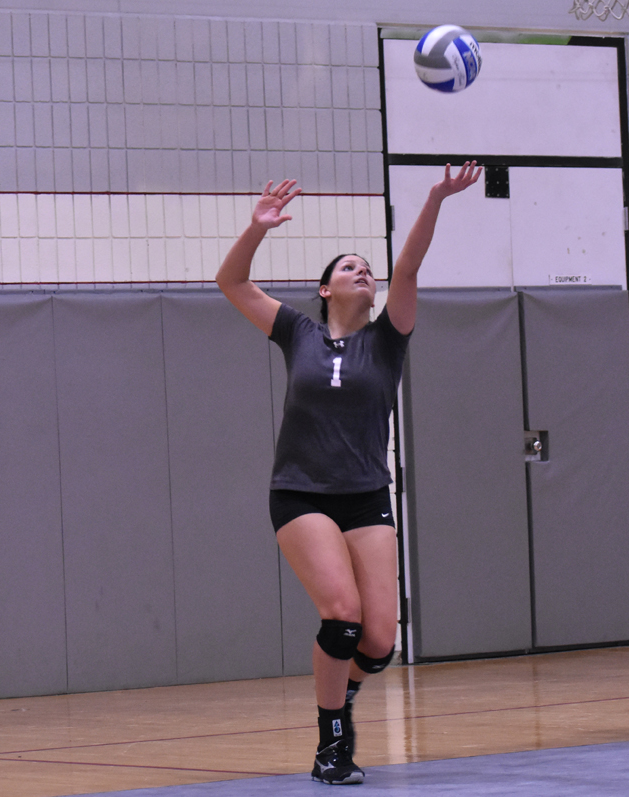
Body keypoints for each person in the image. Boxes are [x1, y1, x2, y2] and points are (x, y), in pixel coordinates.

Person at [216, 163, 482, 785]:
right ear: (327, 290)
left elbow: (409, 267)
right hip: (301, 493)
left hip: (366, 495)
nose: (364, 271)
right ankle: (332, 742)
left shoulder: (388, 340)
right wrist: (256, 228)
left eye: (368, 267)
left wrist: (437, 197)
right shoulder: (297, 332)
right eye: (348, 267)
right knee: (342, 614)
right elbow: (231, 281)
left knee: (378, 643)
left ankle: (338, 696)